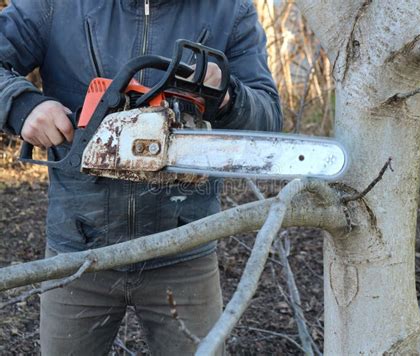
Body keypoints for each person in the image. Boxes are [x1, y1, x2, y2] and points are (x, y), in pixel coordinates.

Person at [0, 0, 282, 354]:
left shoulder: (228, 9)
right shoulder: (54, 5)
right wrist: (21, 105)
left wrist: (226, 96)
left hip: (184, 246)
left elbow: (268, 118)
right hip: (79, 244)